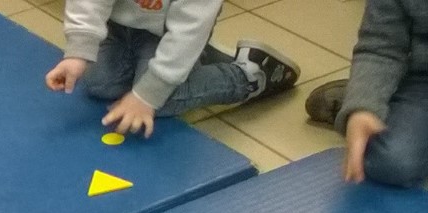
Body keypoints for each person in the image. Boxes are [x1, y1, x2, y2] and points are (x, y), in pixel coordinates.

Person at [45, 0, 299, 137]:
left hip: (170, 34)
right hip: (119, 26)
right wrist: (79, 52)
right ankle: (196, 58)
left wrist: (146, 95)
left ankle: (249, 74)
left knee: (163, 100)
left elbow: (188, 32)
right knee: (100, 83)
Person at [304, 0, 428, 186]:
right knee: (393, 161)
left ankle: (370, 98)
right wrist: (363, 106)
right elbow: (380, 47)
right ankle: (362, 101)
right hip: (421, 82)